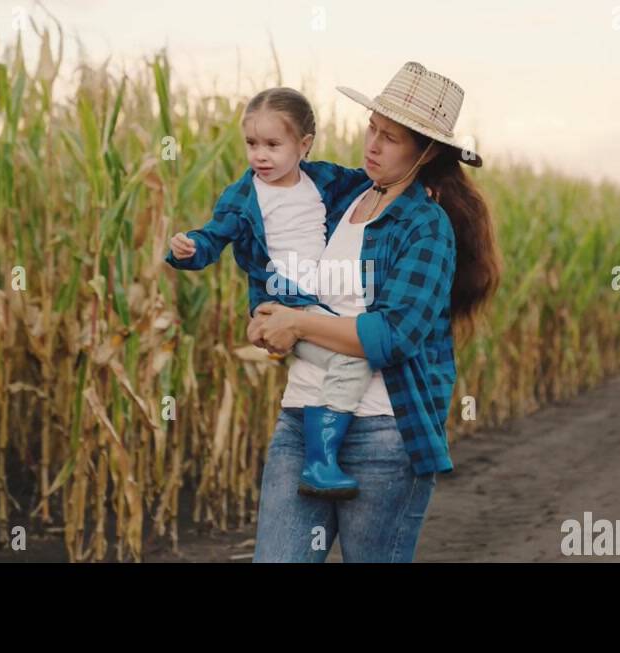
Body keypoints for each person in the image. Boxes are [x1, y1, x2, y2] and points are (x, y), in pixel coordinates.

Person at [248, 61, 503, 562]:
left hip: (381, 434)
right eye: (372, 128)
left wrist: (299, 325)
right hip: (301, 421)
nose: (373, 145)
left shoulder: (426, 228)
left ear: (426, 151)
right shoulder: (343, 196)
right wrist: (269, 314)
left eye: (391, 138)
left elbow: (391, 336)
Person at [165, 87, 374, 500]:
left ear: (304, 145)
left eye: (273, 145)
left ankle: (324, 455)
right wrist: (188, 249)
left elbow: (372, 182)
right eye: (252, 144)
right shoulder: (245, 197)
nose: (260, 155)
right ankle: (321, 462)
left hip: (319, 302)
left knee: (351, 345)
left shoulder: (322, 179)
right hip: (282, 302)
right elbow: (213, 236)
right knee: (352, 359)